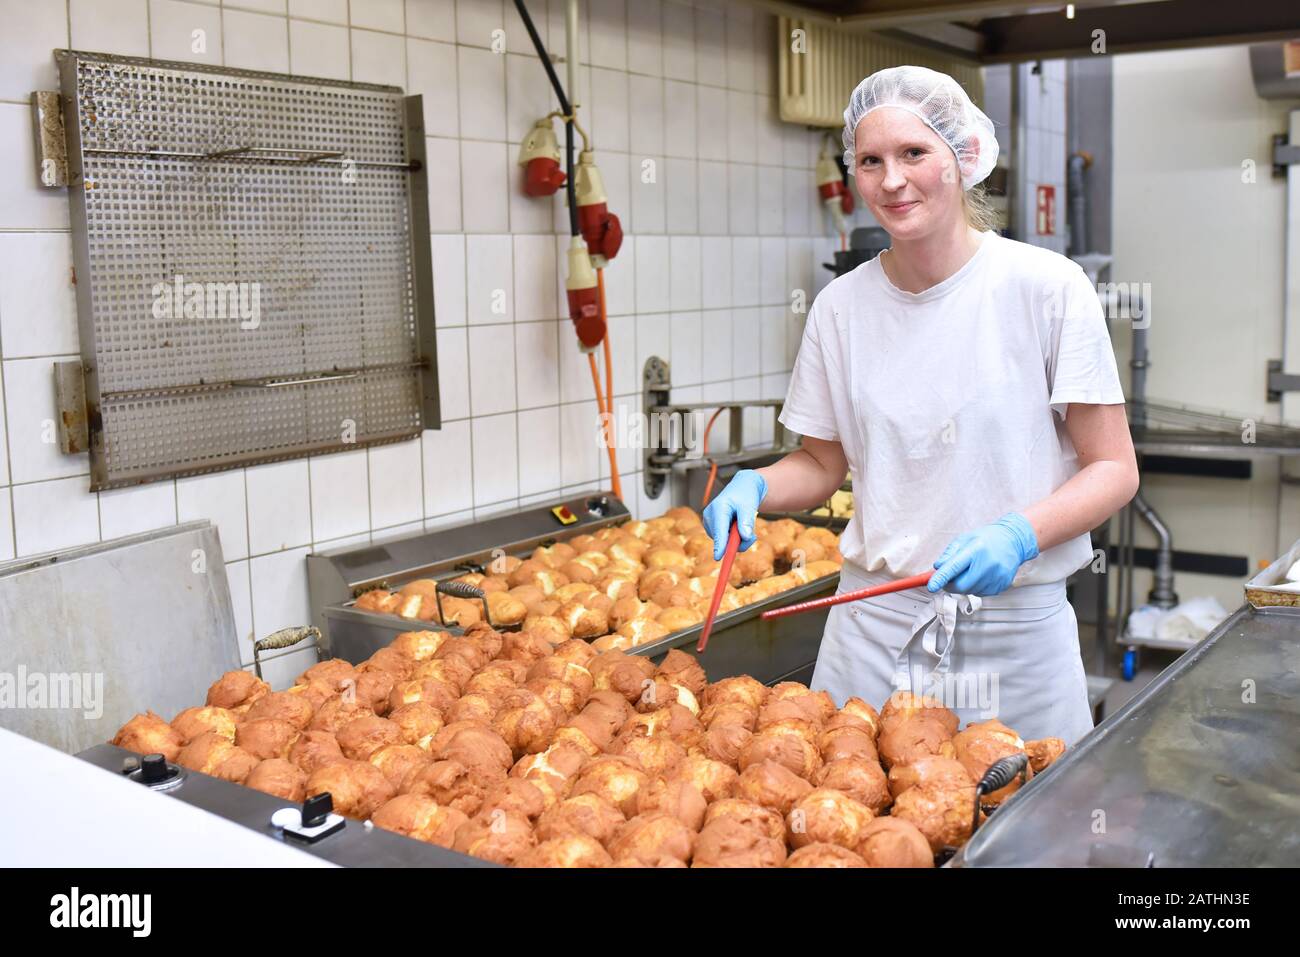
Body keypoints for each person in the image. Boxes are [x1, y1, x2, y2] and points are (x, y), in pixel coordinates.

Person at [703, 65, 1138, 745]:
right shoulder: (840, 308)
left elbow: (1113, 467)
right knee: (852, 829)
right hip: (873, 635)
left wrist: (1018, 533)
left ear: (962, 158)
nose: (892, 180)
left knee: (1025, 838)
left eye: (914, 153)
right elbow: (821, 463)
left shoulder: (1046, 288)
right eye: (871, 161)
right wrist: (758, 484)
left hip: (1014, 638)